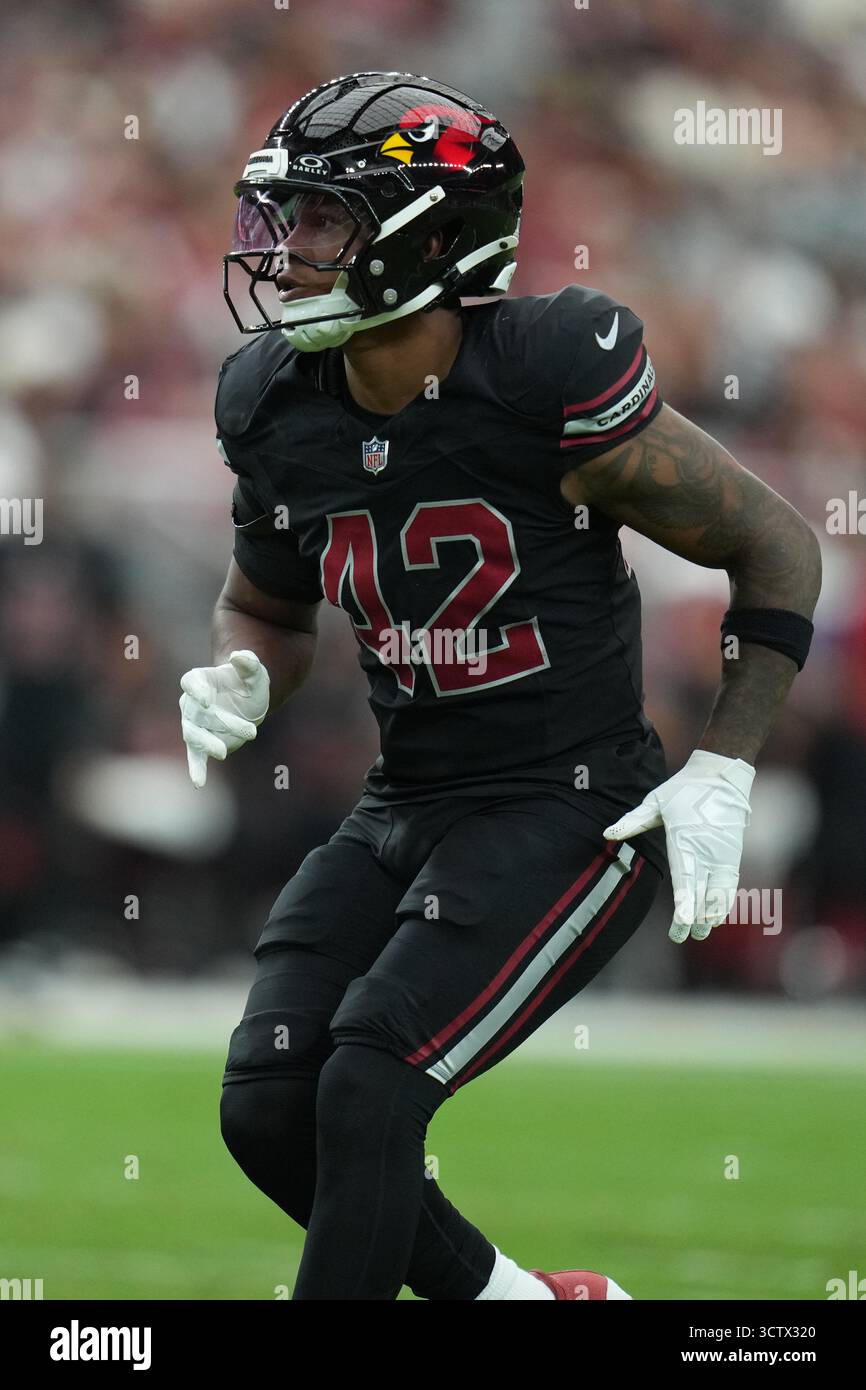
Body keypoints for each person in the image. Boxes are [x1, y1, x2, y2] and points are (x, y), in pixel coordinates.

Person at [179, 72, 820, 1300]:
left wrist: (723, 763)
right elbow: (266, 603)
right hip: (404, 802)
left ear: (428, 235)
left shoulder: (540, 373)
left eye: (325, 217)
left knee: (369, 1081)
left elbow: (775, 545)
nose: (288, 246)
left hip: (569, 809)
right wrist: (240, 671)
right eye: (288, 214)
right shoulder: (273, 402)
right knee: (267, 1103)